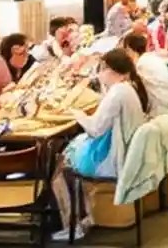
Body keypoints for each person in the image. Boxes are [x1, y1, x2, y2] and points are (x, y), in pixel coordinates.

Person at [52, 48, 149, 241]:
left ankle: (74, 224)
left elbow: (95, 129)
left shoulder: (117, 94)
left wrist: (77, 114)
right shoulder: (128, 88)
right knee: (69, 151)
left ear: (110, 70)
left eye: (102, 68)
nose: (99, 73)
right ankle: (84, 216)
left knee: (61, 166)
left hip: (115, 159)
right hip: (126, 153)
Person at [121, 33, 168, 117]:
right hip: (167, 107)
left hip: (156, 113)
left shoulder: (140, 65)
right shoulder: (154, 59)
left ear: (129, 49)